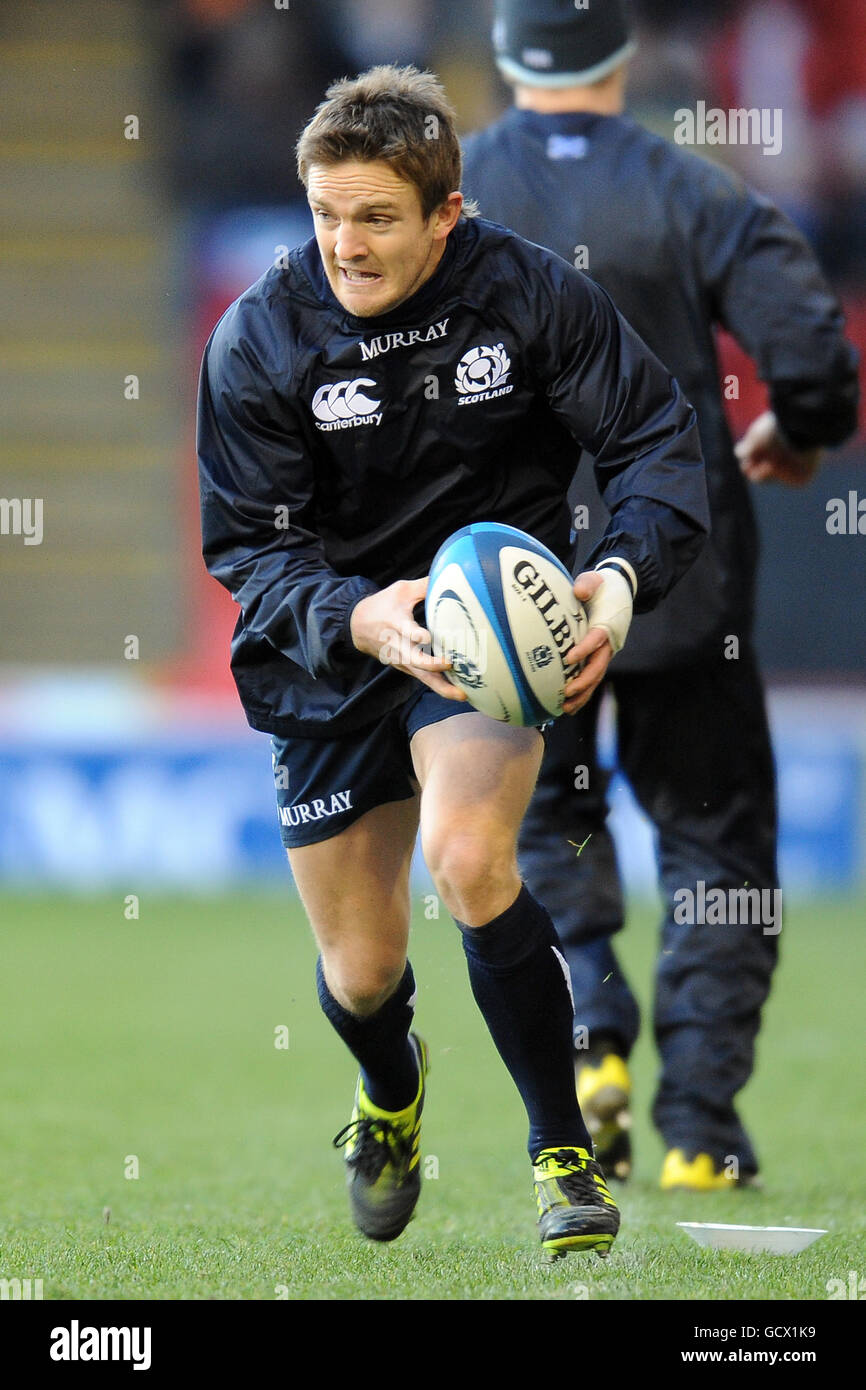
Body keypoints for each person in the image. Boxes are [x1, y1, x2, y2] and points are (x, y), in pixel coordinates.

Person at [197, 63, 709, 1257]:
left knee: (470, 856)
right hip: (328, 648)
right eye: (326, 214)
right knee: (365, 970)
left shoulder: (531, 297)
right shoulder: (259, 337)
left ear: (446, 213)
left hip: (482, 643)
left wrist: (617, 584)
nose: (346, 245)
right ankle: (388, 1093)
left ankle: (559, 1153)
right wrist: (360, 615)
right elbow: (247, 549)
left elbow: (651, 441)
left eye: (377, 217)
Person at [462, 0, 860, 1189]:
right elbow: (807, 342)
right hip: (679, 564)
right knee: (715, 842)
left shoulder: (456, 190)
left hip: (507, 570)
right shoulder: (692, 186)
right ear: (622, 61)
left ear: (500, 60)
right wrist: (800, 429)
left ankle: (588, 1039)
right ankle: (697, 1126)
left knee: (541, 826)